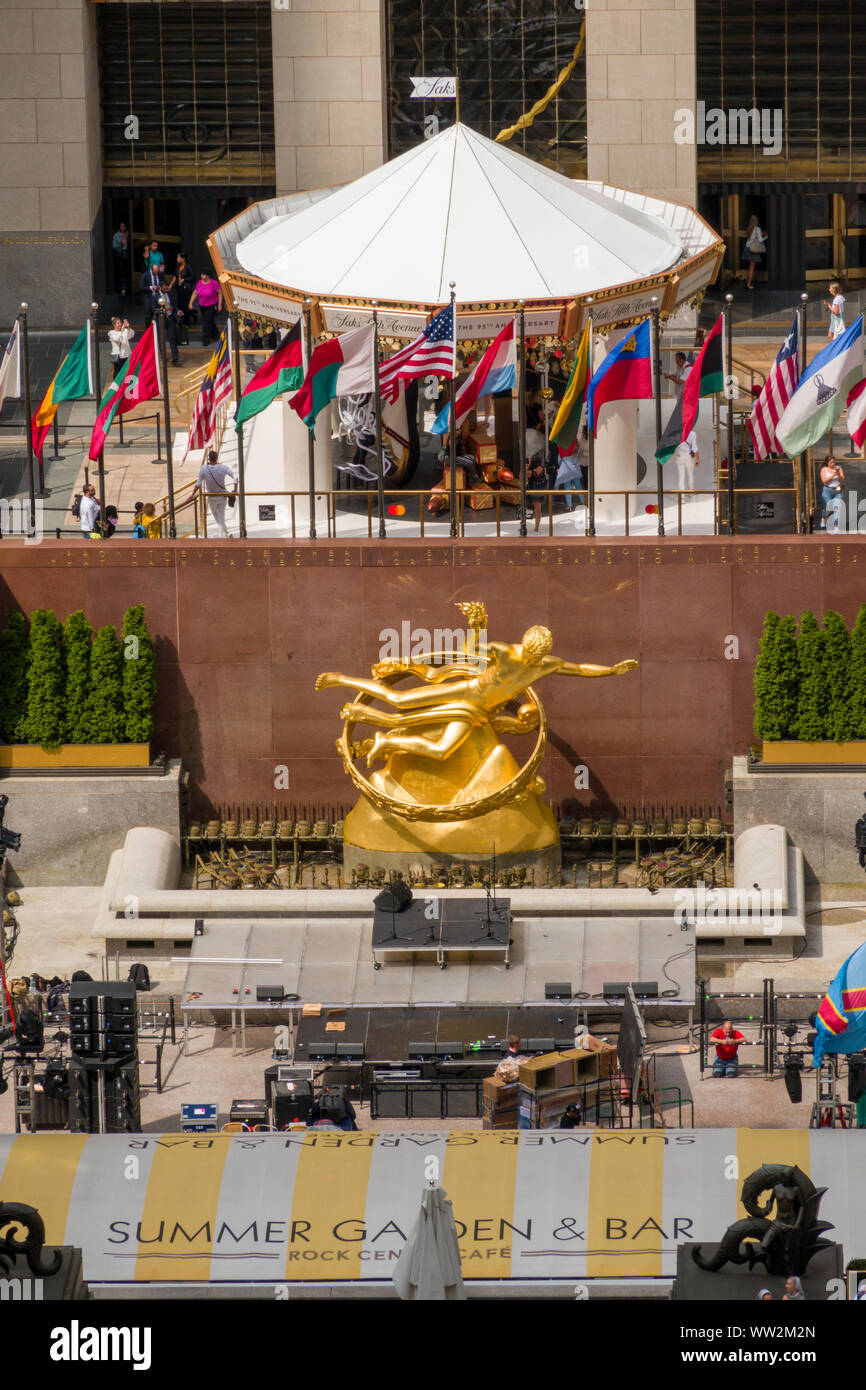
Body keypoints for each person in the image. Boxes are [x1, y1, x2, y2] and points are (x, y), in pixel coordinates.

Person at [197, 448, 238, 538]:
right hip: (222, 496)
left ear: (208, 459)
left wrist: (192, 494)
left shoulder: (204, 469)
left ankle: (222, 536)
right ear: (217, 458)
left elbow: (198, 484)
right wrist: (235, 490)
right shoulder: (223, 467)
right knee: (221, 516)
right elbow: (235, 477)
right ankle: (227, 533)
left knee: (217, 517)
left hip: (211, 497)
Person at [189, 270, 223, 347]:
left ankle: (206, 340)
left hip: (211, 306)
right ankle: (216, 335)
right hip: (202, 306)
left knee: (205, 323)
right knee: (210, 322)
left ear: (208, 276)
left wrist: (219, 304)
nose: (202, 276)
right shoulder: (199, 283)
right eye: (201, 274)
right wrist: (191, 303)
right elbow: (195, 293)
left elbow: (219, 292)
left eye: (204, 275)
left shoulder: (213, 283)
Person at [819, 455, 845, 532]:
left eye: (834, 462)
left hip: (837, 490)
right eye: (831, 462)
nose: (833, 464)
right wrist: (833, 475)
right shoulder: (824, 469)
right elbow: (824, 481)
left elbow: (842, 478)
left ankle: (836, 527)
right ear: (827, 463)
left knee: (836, 508)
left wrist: (838, 474)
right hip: (827, 490)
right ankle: (823, 519)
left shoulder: (838, 468)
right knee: (827, 508)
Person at [673, 429, 700, 499]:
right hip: (688, 456)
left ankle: (682, 497)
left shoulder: (677, 433)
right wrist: (698, 459)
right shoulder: (692, 434)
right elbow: (694, 448)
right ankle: (691, 492)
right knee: (690, 474)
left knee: (681, 477)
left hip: (679, 455)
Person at [742, 215, 766, 290]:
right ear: (757, 221)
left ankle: (747, 281)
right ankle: (748, 284)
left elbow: (752, 238)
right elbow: (760, 240)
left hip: (747, 248)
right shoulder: (757, 229)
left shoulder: (749, 228)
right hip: (753, 250)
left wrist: (761, 234)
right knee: (752, 267)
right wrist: (766, 236)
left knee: (750, 266)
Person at [112, 222, 129, 296]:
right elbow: (117, 246)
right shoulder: (117, 235)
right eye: (121, 226)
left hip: (128, 253)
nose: (123, 228)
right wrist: (124, 238)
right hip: (120, 255)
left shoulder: (128, 233)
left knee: (127, 272)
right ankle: (122, 288)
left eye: (124, 226)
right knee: (122, 272)